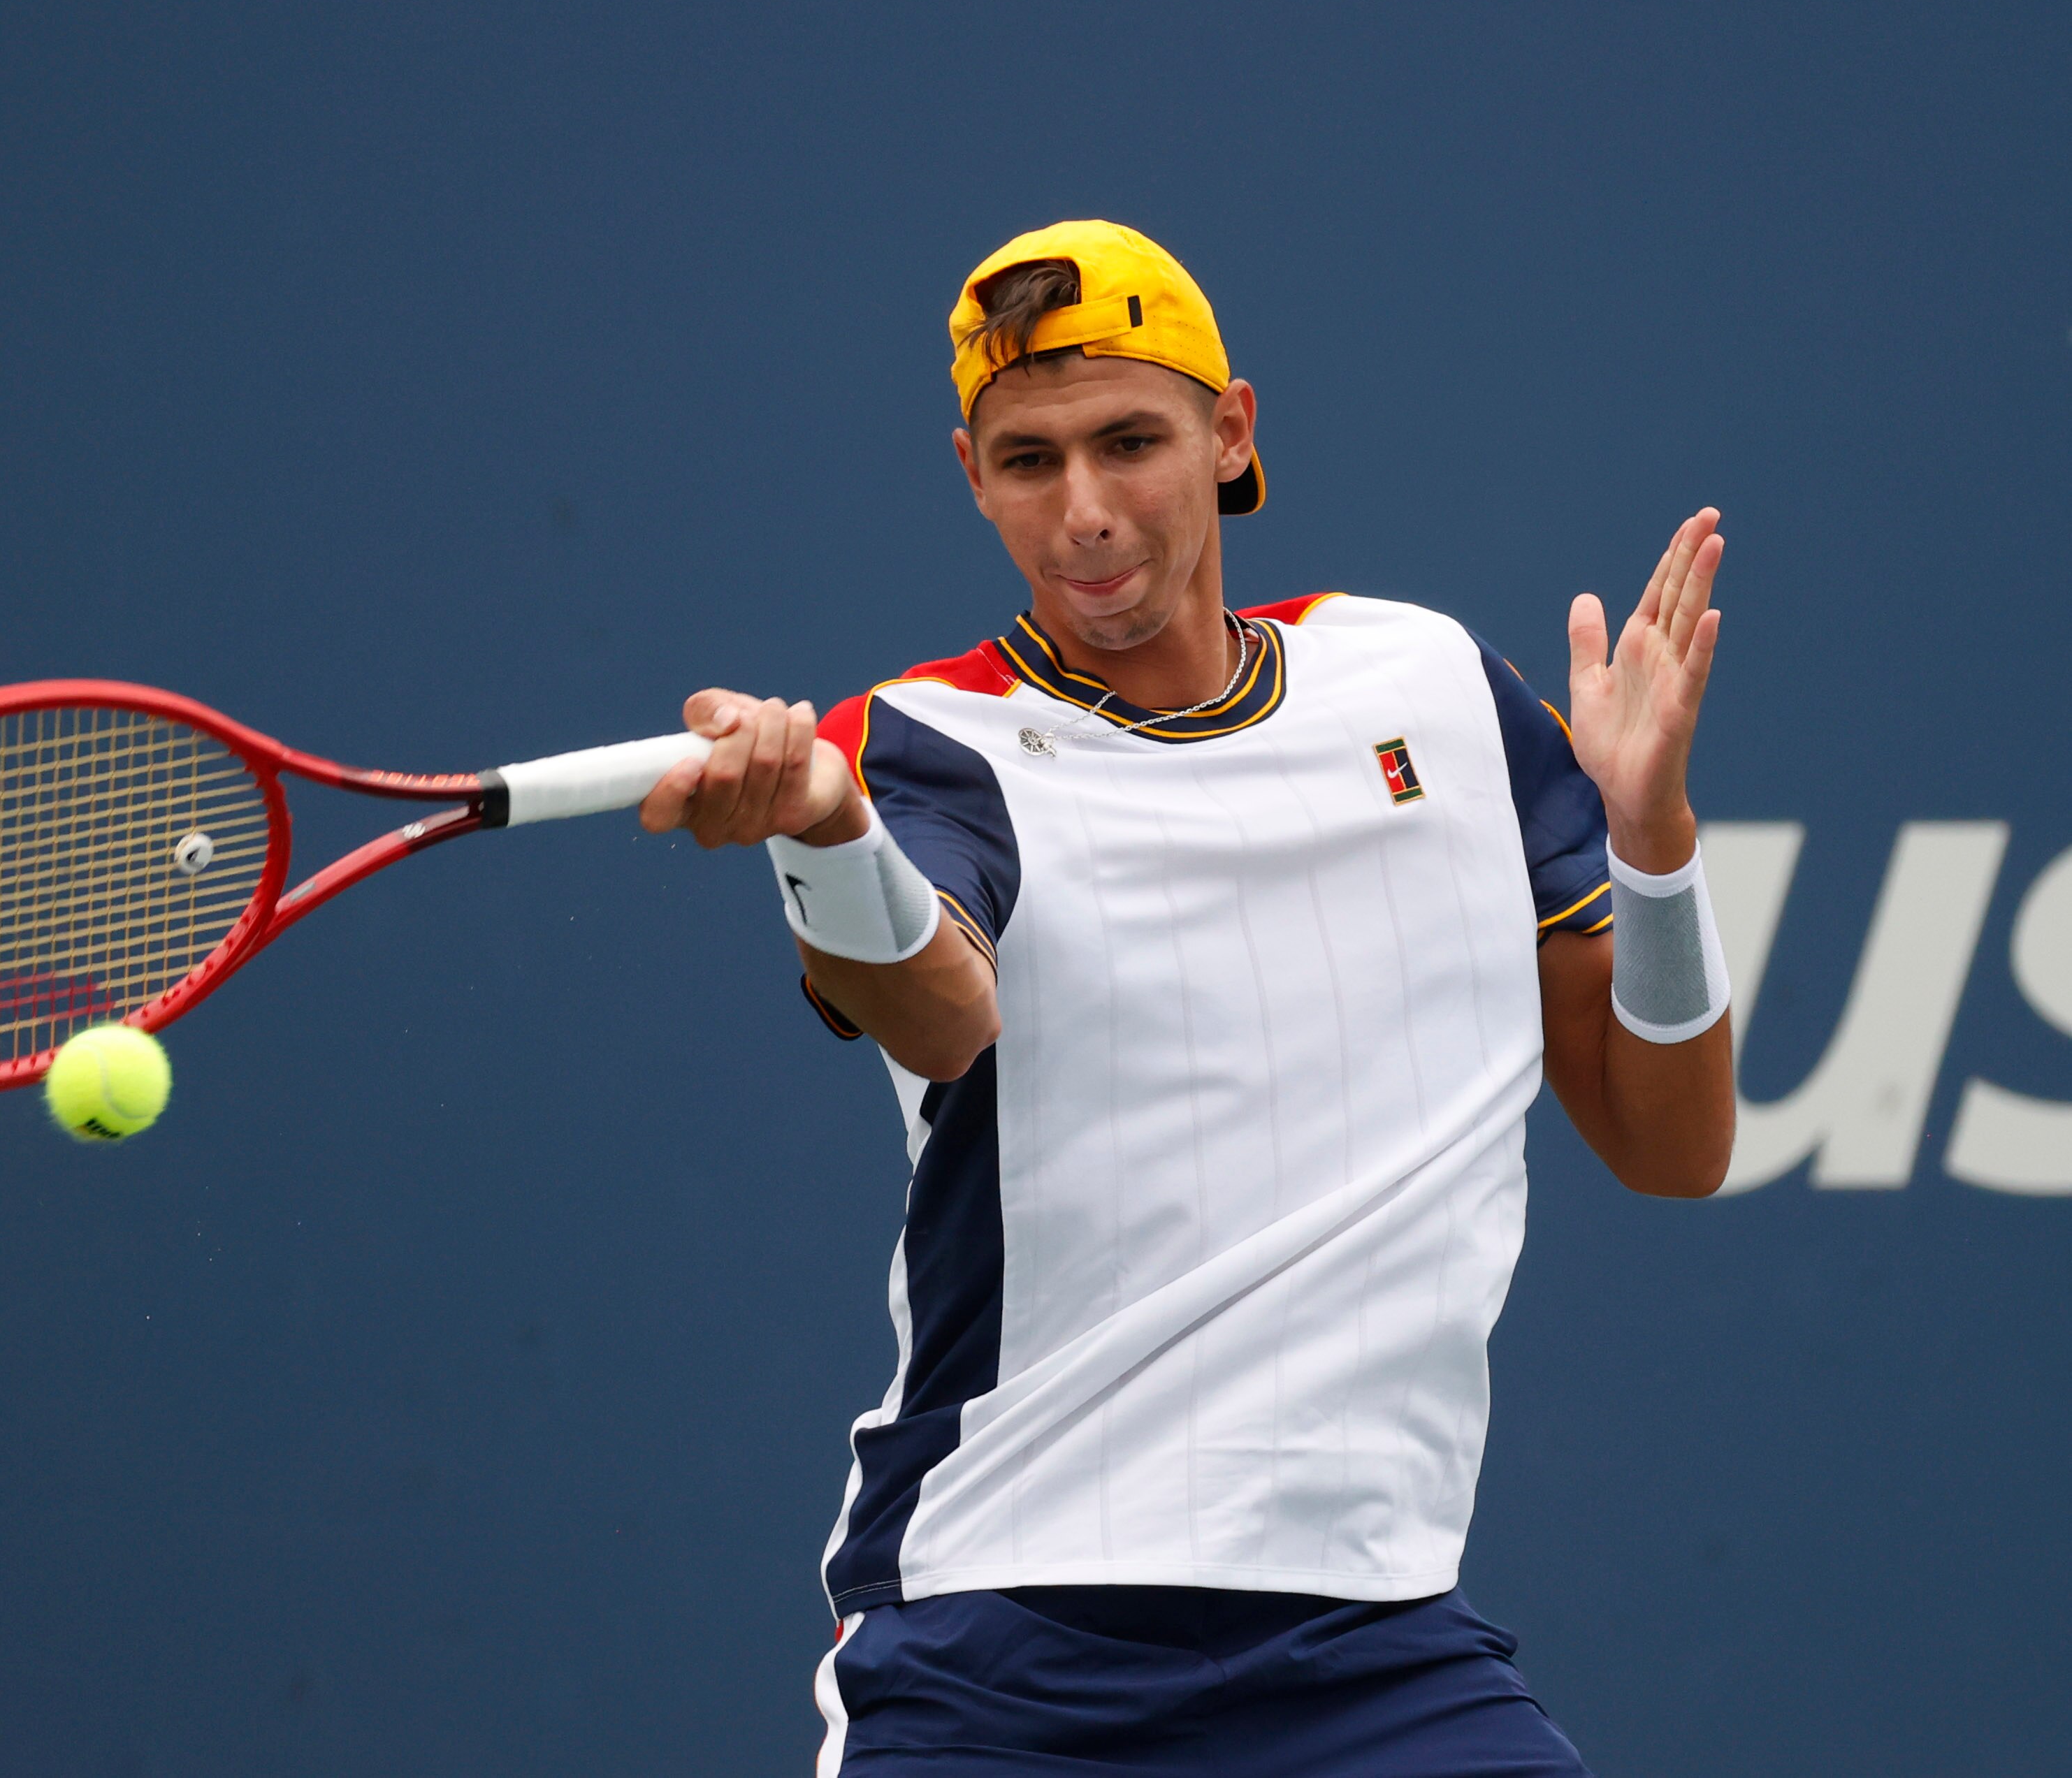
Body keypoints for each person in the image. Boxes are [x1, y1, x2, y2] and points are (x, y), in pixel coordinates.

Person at [640, 220, 1735, 1777]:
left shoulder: (1432, 688)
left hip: (1377, 1643)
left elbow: (1670, 1145)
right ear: (971, 472)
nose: (1083, 514)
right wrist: (824, 826)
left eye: (1129, 443)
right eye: (1028, 462)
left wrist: (1654, 849)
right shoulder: (926, 745)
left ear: (1231, 432)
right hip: (1006, 1646)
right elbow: (940, 1011)